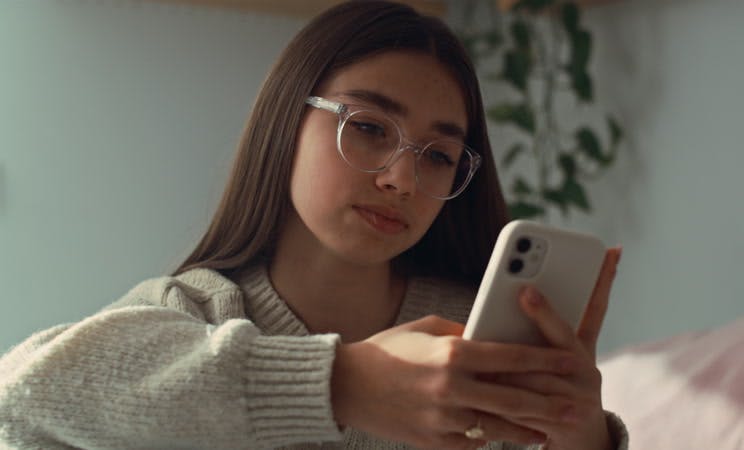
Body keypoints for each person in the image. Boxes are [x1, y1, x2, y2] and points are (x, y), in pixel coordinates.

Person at [0, 1, 626, 449]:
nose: (401, 180)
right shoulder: (194, 313)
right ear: (286, 123)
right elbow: (18, 402)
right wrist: (342, 385)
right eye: (370, 127)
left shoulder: (475, 344)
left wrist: (583, 441)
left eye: (437, 156)